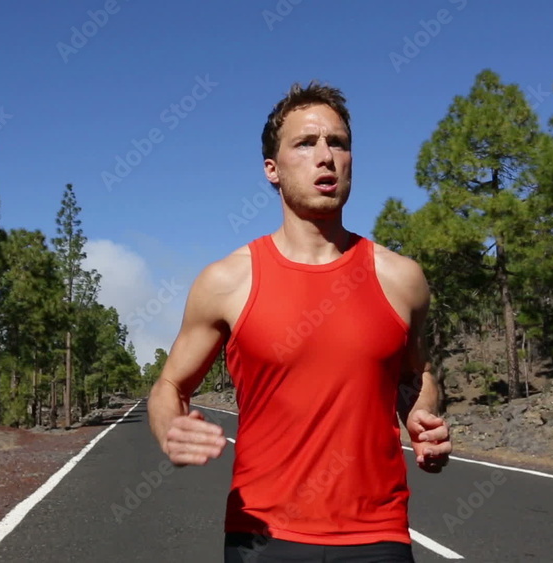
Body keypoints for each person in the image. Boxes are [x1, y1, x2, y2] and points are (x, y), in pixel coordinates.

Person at [147, 81, 451, 562]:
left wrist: (421, 413)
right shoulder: (227, 281)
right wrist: (170, 427)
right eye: (306, 143)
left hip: (378, 537)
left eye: (338, 143)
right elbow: (170, 385)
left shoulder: (401, 279)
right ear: (272, 169)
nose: (325, 157)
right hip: (262, 537)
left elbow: (418, 374)